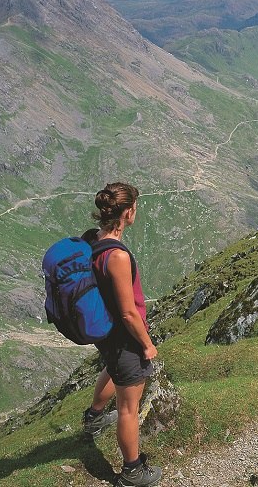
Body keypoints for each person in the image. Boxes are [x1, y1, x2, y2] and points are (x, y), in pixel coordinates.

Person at [82, 183, 162, 487]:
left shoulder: (94, 239)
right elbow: (129, 313)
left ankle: (94, 417)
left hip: (106, 333)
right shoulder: (117, 256)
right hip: (124, 336)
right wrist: (147, 344)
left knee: (112, 369)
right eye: (135, 207)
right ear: (127, 212)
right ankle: (132, 472)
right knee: (129, 408)